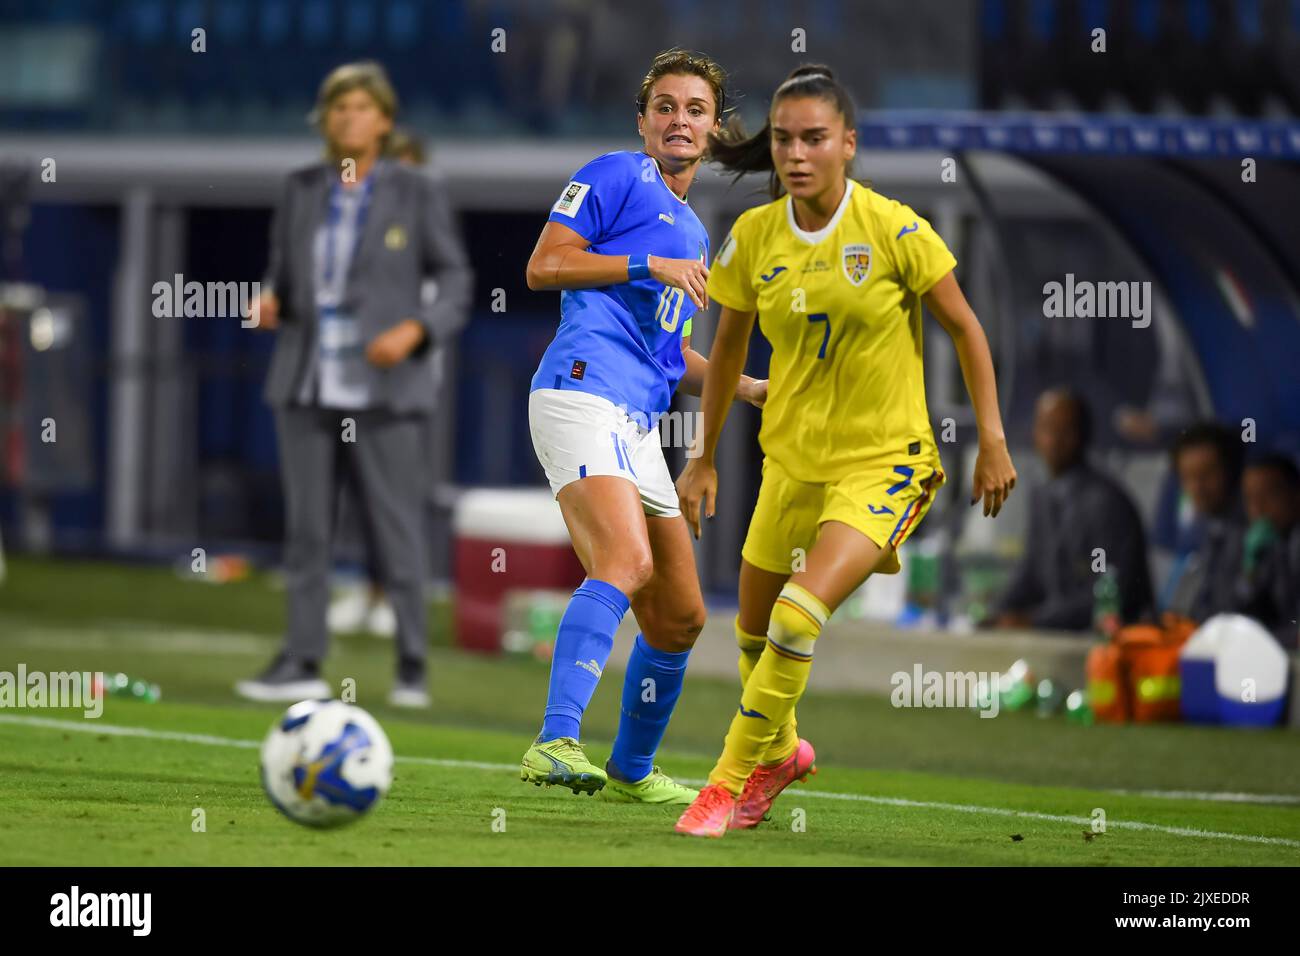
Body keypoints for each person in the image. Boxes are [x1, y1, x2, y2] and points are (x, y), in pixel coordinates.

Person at [673, 64, 1017, 837]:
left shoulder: (895, 230)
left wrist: (990, 439)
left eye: (814, 138)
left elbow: (966, 327)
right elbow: (725, 354)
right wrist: (703, 458)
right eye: (786, 139)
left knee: (798, 618)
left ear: (848, 145)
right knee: (755, 637)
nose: (796, 153)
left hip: (884, 460)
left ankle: (722, 788)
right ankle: (784, 752)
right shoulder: (753, 237)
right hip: (791, 460)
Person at [520, 49, 766, 804]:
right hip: (580, 394)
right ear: (643, 120)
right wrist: (639, 265)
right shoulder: (613, 174)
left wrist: (747, 385)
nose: (679, 120)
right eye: (665, 106)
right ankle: (554, 742)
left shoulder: (693, 231)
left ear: (714, 129)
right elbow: (544, 266)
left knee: (683, 617)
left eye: (695, 109)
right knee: (624, 565)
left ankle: (629, 769)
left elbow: (670, 354)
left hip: (639, 423)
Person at [236, 63, 472, 708]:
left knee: (396, 526)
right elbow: (284, 275)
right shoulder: (301, 187)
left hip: (386, 384)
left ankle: (412, 668)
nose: (348, 118)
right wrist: (270, 300)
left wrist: (414, 332)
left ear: (385, 121)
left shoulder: (416, 189)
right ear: (325, 119)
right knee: (307, 529)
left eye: (362, 107)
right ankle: (303, 658)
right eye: (338, 108)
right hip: (308, 379)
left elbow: (455, 284)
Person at [327, 128, 431, 640]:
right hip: (354, 379)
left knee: (398, 496)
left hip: (404, 384)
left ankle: (397, 595)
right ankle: (368, 587)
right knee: (360, 491)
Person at [984, 388, 1153, 631]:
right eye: (1046, 428)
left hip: (1106, 646)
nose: (1054, 440)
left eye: (1065, 430)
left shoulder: (1105, 503)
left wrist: (1035, 621)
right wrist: (997, 613)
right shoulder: (1042, 496)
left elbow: (1107, 593)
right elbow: (1030, 574)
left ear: (1083, 435)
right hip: (1057, 638)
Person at [1162, 422, 1245, 622]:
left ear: (1231, 472)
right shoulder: (1206, 529)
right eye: (1188, 477)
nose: (1197, 487)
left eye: (1207, 474)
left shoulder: (1250, 532)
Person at [1234, 454, 1300, 646]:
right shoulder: (1262, 545)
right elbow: (1239, 618)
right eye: (1250, 498)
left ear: (1296, 495)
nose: (1258, 507)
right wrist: (1249, 571)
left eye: (1268, 495)